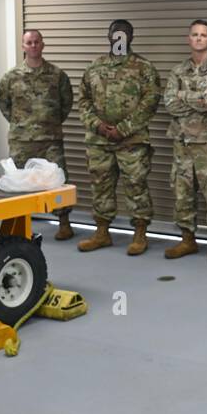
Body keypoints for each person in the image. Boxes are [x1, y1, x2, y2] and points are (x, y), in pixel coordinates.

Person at [76, 19, 160, 256]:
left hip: (132, 141)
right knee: (100, 187)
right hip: (99, 141)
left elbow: (150, 103)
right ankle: (102, 233)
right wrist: (97, 126)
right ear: (109, 37)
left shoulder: (144, 68)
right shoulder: (95, 67)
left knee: (136, 186)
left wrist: (123, 128)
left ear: (131, 38)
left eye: (124, 34)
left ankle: (140, 234)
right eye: (115, 34)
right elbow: (83, 101)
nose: (119, 38)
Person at [163, 20, 207, 262]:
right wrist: (198, 97)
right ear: (188, 39)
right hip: (182, 142)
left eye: (204, 35)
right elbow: (169, 103)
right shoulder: (177, 71)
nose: (199, 38)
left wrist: (184, 95)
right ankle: (187, 240)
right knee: (182, 192)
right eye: (195, 35)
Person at [0, 28, 75, 240]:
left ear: (42, 44)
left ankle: (64, 222)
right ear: (23, 46)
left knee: (60, 179)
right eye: (28, 42)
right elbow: (4, 104)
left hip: (50, 138)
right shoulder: (11, 77)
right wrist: (21, 124)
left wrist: (50, 122)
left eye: (36, 42)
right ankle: (22, 227)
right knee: (20, 181)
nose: (32, 46)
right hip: (22, 139)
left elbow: (66, 103)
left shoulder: (57, 75)